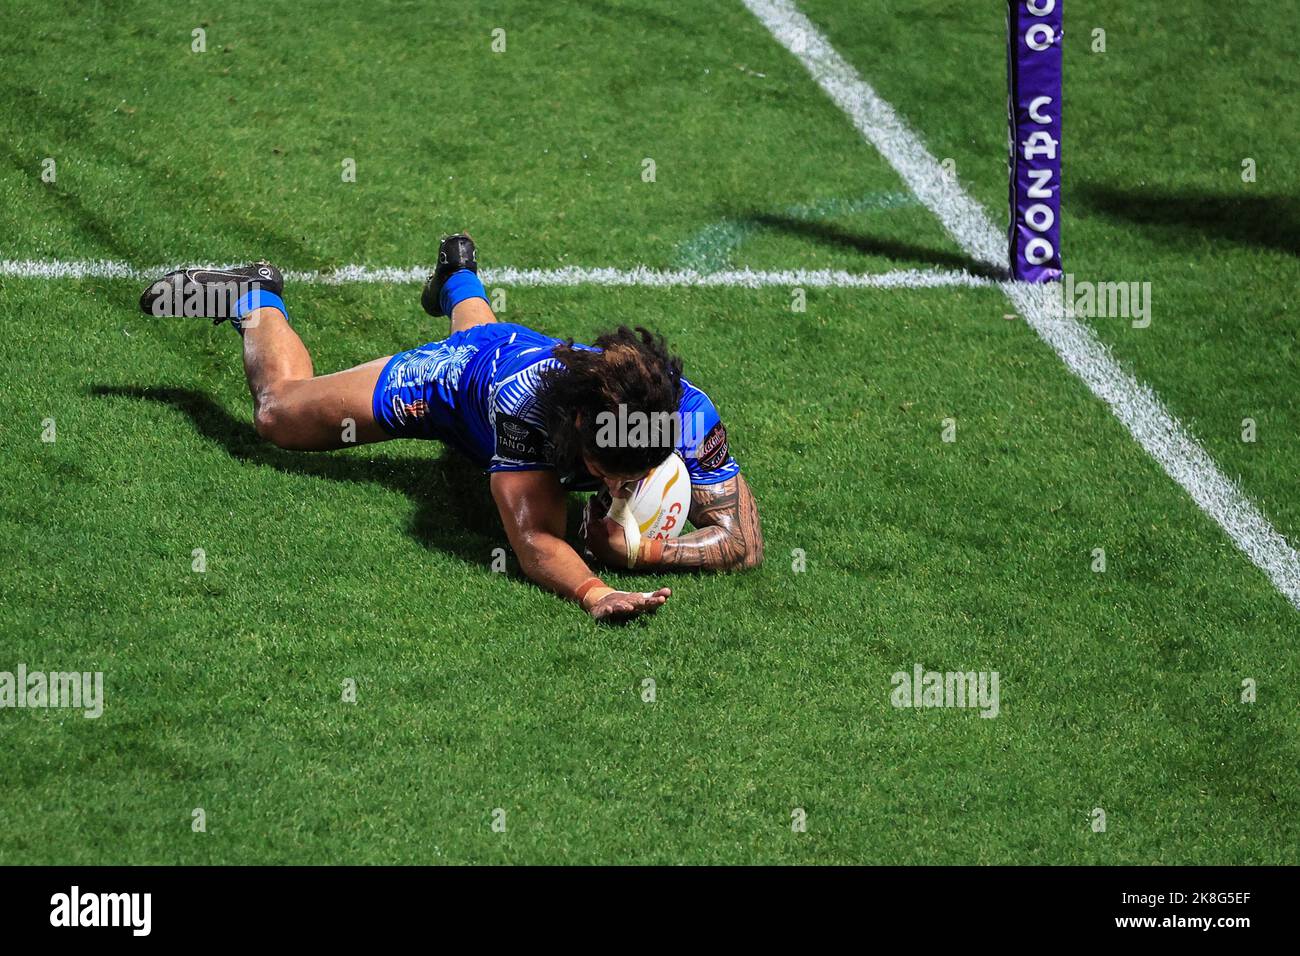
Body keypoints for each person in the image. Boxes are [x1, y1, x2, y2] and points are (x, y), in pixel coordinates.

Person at [139, 235, 763, 621]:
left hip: (512, 347)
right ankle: (254, 296)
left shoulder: (687, 413)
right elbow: (535, 540)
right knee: (278, 414)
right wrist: (596, 591)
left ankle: (457, 276)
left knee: (488, 333)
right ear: (579, 428)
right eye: (606, 475)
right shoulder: (524, 409)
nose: (618, 492)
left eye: (637, 476)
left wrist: (646, 551)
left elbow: (745, 543)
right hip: (456, 383)